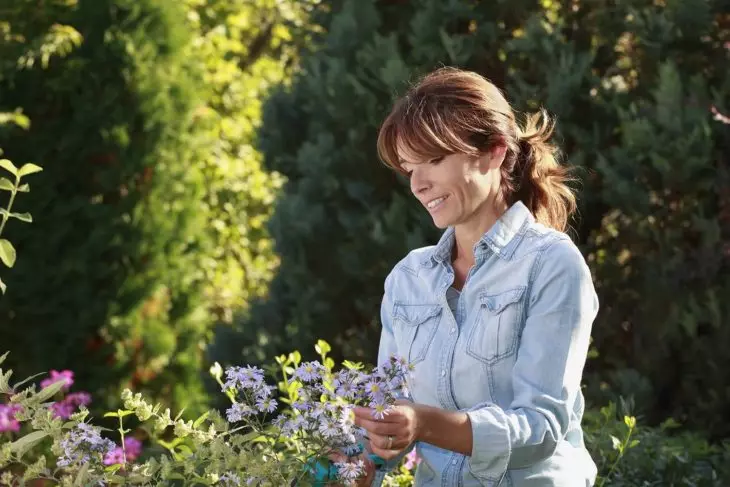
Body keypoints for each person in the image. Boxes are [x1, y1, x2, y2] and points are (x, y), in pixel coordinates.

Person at [350, 67, 599, 486]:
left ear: (494, 151)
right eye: (410, 168)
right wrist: (361, 462)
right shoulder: (408, 279)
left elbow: (541, 428)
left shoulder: (552, 264)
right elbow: (392, 423)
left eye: (434, 160)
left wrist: (425, 423)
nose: (419, 184)